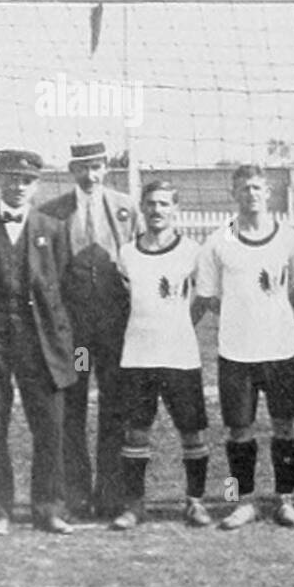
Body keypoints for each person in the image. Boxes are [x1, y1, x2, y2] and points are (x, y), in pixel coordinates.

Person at [0, 149, 77, 535]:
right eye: (10, 178)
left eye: (25, 180)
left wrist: (65, 347)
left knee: (49, 426)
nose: (17, 186)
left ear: (36, 185)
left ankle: (49, 508)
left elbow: (63, 290)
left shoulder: (53, 228)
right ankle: (0, 510)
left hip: (40, 342)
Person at [196, 165, 294, 530]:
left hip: (281, 350)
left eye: (257, 188)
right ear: (233, 193)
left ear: (269, 193)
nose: (251, 194)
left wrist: (269, 312)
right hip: (236, 353)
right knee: (237, 431)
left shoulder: (290, 240)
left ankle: (285, 501)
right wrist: (241, 315)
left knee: (285, 428)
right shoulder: (217, 241)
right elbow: (210, 297)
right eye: (244, 189)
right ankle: (239, 502)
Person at [39, 141, 140, 520]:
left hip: (114, 333)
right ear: (72, 170)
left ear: (105, 168)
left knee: (115, 407)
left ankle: (110, 493)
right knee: (74, 406)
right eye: (83, 168)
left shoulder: (126, 208)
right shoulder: (53, 213)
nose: (91, 175)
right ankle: (77, 493)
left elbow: (142, 259)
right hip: (77, 337)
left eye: (97, 167)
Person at [109, 180, 212, 530]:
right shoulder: (126, 253)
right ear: (142, 207)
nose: (157, 210)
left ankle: (195, 502)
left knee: (193, 432)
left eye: (164, 204)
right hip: (137, 356)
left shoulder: (192, 251)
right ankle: (134, 506)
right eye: (151, 204)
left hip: (180, 355)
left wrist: (180, 323)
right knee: (136, 433)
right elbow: (122, 301)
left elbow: (203, 299)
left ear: (175, 209)